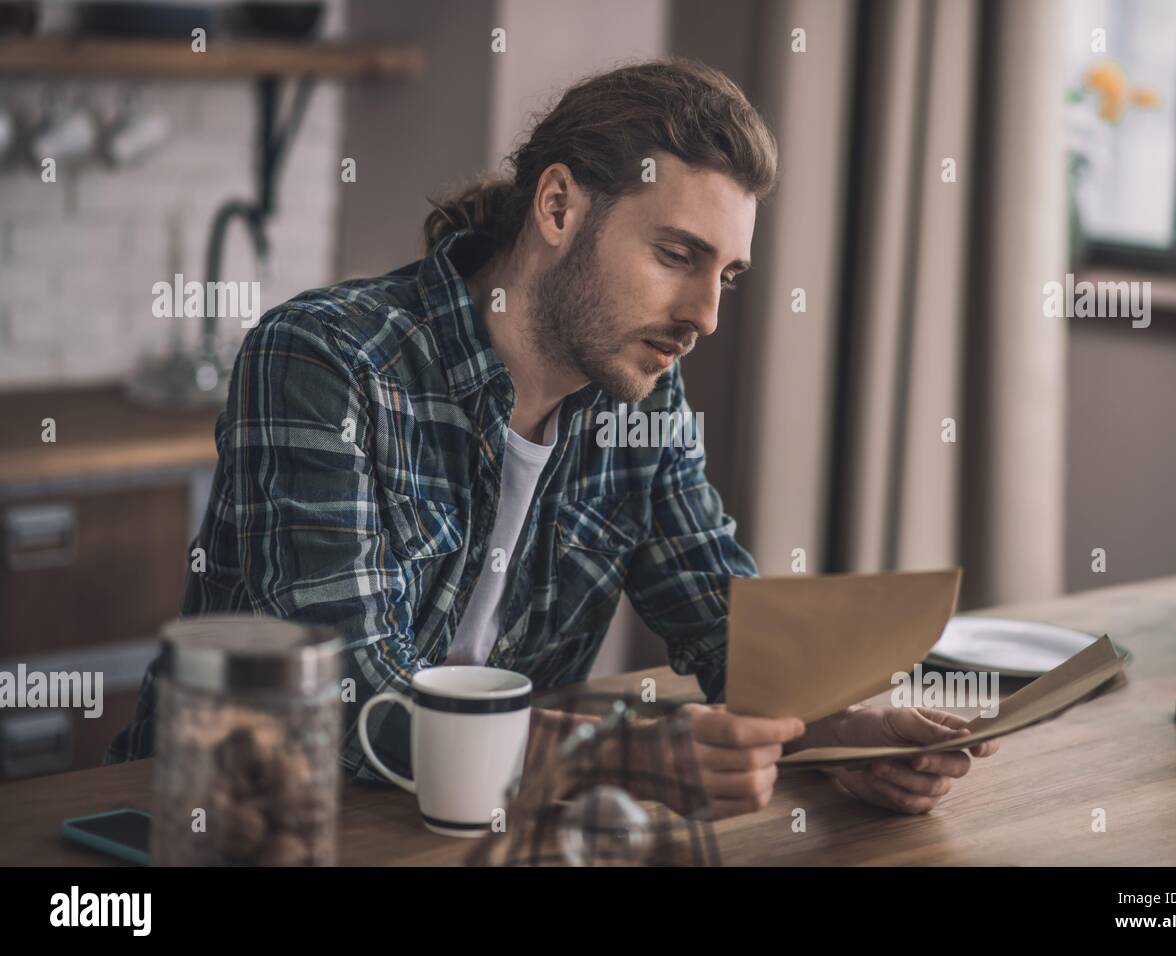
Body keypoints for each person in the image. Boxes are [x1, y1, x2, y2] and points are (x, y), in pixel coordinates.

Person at [108, 57, 996, 819]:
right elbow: (351, 706)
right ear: (560, 207)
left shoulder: (642, 396)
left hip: (472, 833)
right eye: (677, 256)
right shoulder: (325, 359)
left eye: (728, 276)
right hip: (242, 821)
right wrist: (611, 756)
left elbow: (725, 621)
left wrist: (840, 728)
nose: (706, 316)